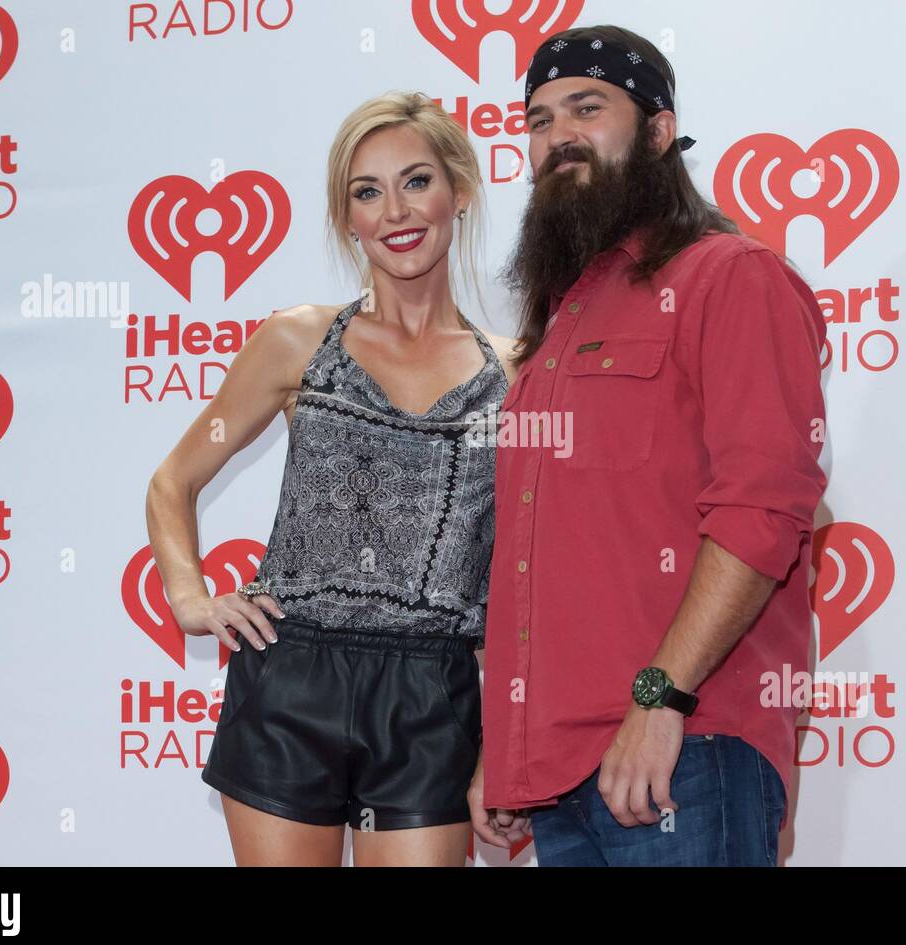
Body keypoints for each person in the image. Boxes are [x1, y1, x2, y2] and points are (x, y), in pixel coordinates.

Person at [468, 25, 830, 866]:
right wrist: (505, 749)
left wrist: (660, 698)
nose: (558, 135)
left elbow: (763, 506)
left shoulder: (731, 277)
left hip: (683, 747)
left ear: (660, 132)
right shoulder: (558, 325)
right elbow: (535, 561)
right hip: (561, 775)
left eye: (587, 109)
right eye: (539, 119)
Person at [146, 91, 518, 866]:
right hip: (290, 682)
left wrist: (511, 743)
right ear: (346, 217)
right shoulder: (296, 341)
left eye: (416, 181)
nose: (395, 211)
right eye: (366, 191)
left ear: (461, 190)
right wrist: (190, 598)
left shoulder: (515, 371)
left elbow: (537, 576)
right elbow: (174, 480)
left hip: (433, 695)